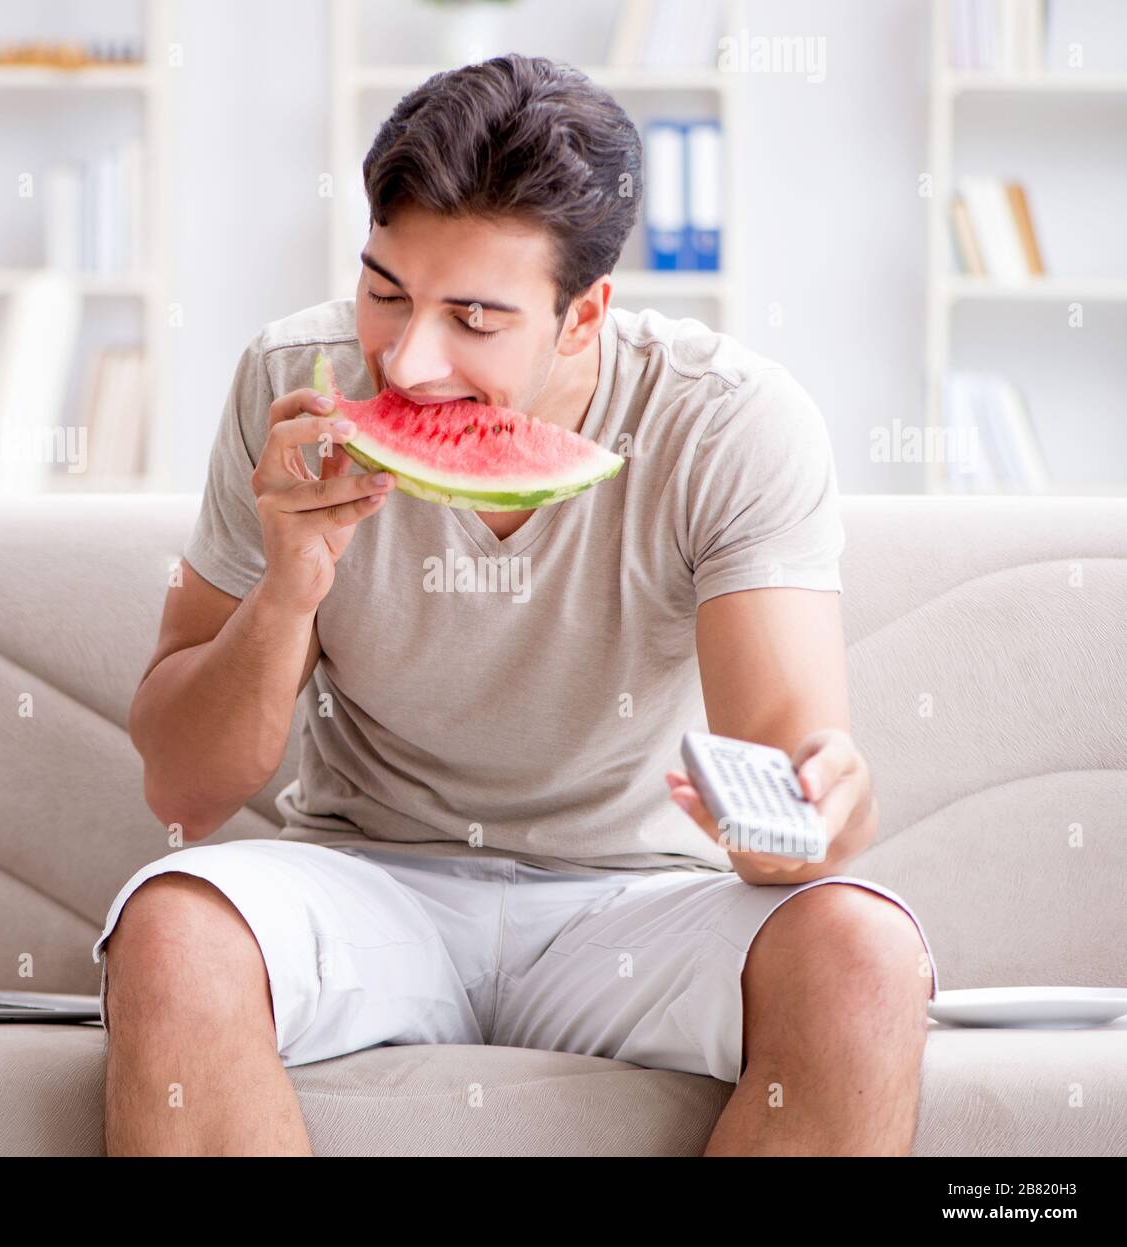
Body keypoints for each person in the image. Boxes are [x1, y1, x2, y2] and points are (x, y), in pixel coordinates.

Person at [95, 53, 938, 1157]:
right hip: (369, 881)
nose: (407, 359)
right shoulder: (289, 385)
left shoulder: (729, 423)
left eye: (477, 318)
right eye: (384, 291)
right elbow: (185, 787)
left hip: (638, 903)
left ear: (584, 314)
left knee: (863, 952)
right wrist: (291, 580)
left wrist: (816, 818)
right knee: (170, 929)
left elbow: (787, 804)